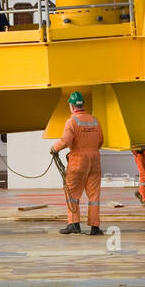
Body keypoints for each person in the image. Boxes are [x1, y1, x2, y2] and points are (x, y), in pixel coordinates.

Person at [51, 91, 104, 235]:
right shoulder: (95, 120)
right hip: (95, 160)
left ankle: (74, 224)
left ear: (71, 105)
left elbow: (66, 140)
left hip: (78, 161)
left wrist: (54, 149)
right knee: (94, 196)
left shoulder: (72, 121)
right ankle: (95, 227)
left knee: (72, 193)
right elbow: (100, 141)